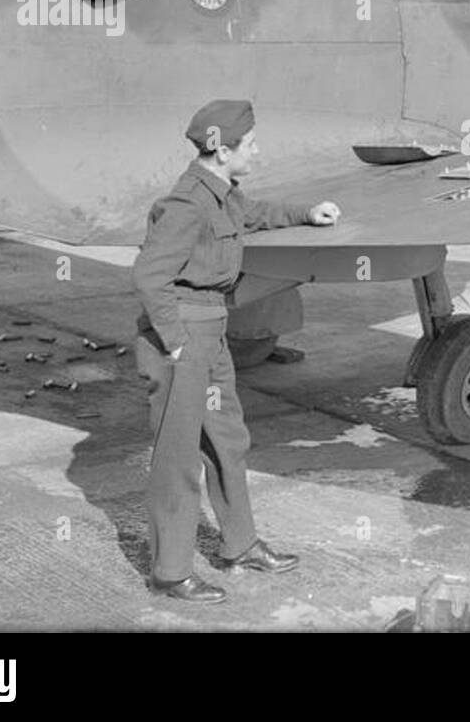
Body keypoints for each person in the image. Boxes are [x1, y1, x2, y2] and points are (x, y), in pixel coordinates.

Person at [132, 99, 341, 603]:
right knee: (178, 457)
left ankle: (239, 544)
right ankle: (171, 571)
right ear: (221, 150)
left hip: (212, 330)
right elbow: (148, 275)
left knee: (228, 438)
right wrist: (178, 346)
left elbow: (255, 215)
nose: (257, 150)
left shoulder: (223, 194)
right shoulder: (188, 204)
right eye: (250, 144)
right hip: (182, 336)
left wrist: (306, 213)